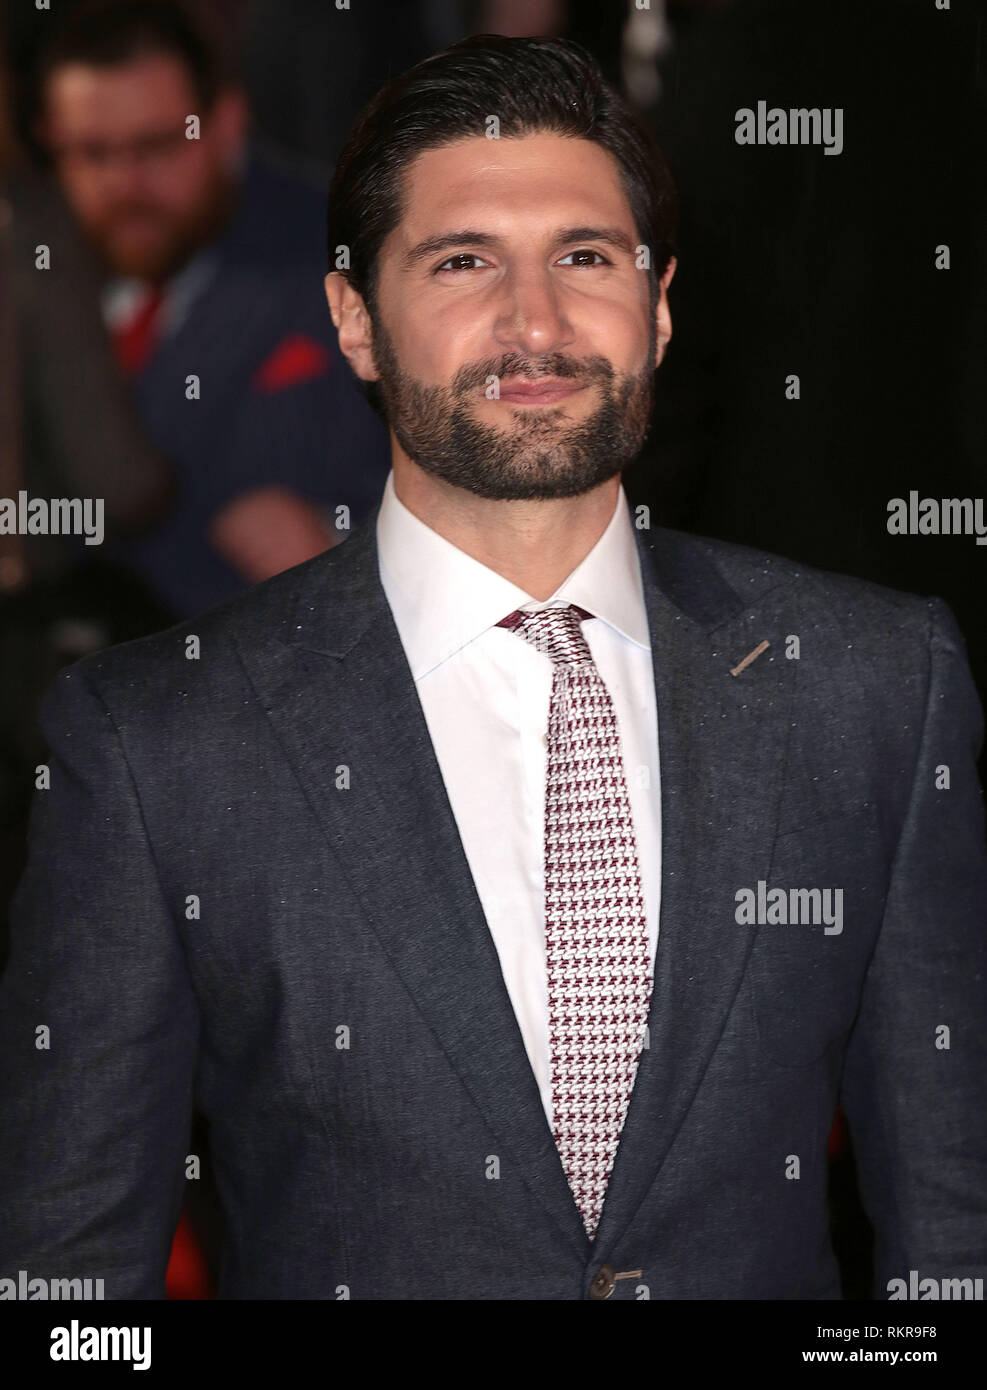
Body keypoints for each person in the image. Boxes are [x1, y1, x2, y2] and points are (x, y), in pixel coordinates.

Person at [1, 34, 985, 1301]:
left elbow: (954, 1229)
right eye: (464, 263)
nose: (537, 322)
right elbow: (67, 1292)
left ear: (661, 304)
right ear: (354, 320)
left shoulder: (873, 683)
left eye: (586, 257)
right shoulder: (155, 740)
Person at [30, 0, 390, 618]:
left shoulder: (344, 253)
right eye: (91, 153)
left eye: (157, 145)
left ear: (226, 123)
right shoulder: (32, 268)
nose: (125, 185)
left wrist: (342, 554)